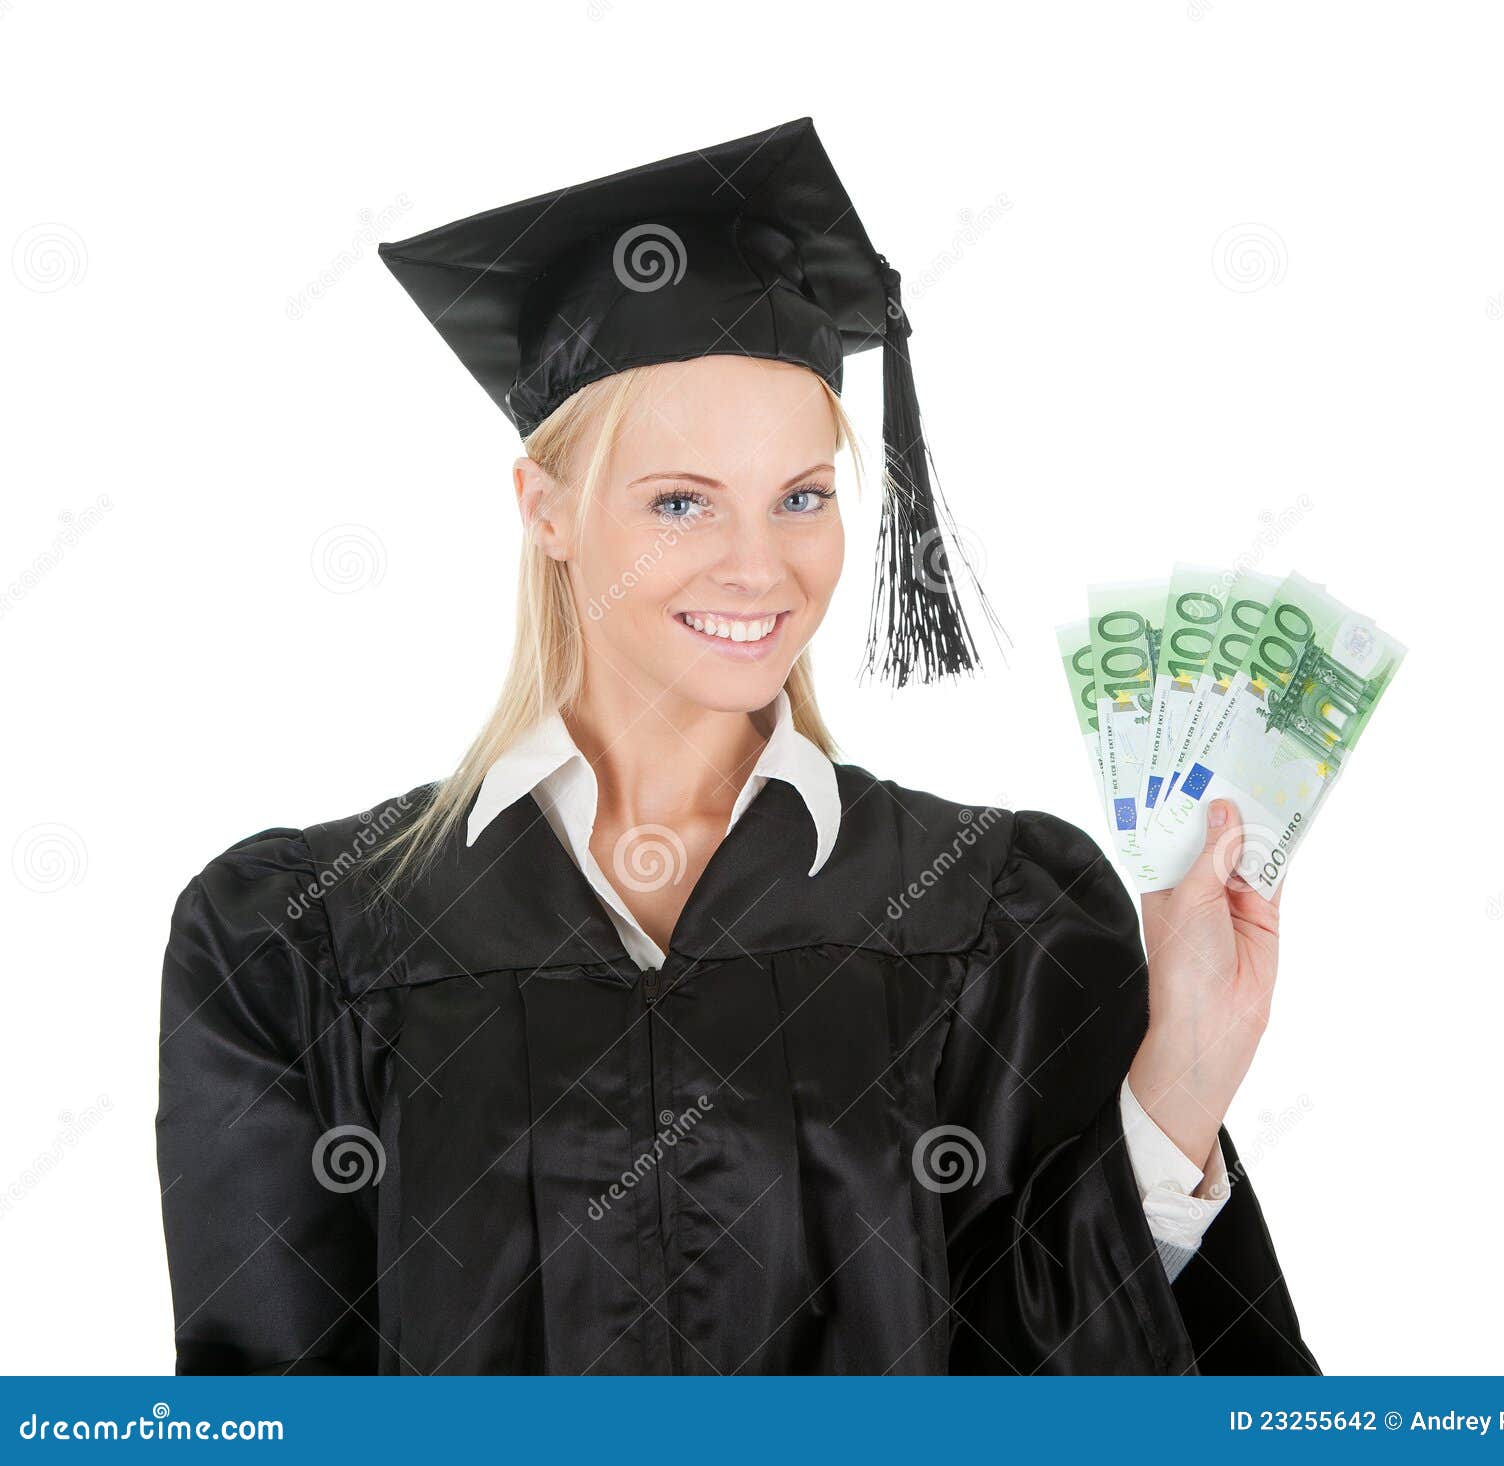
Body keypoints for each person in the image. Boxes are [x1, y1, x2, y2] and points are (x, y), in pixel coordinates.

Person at [155, 118, 1317, 1375]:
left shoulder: (999, 913)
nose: (760, 566)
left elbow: (1049, 1382)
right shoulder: (301, 938)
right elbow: (265, 1412)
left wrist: (1182, 1081)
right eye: (679, 501)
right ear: (544, 508)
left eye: (802, 496)